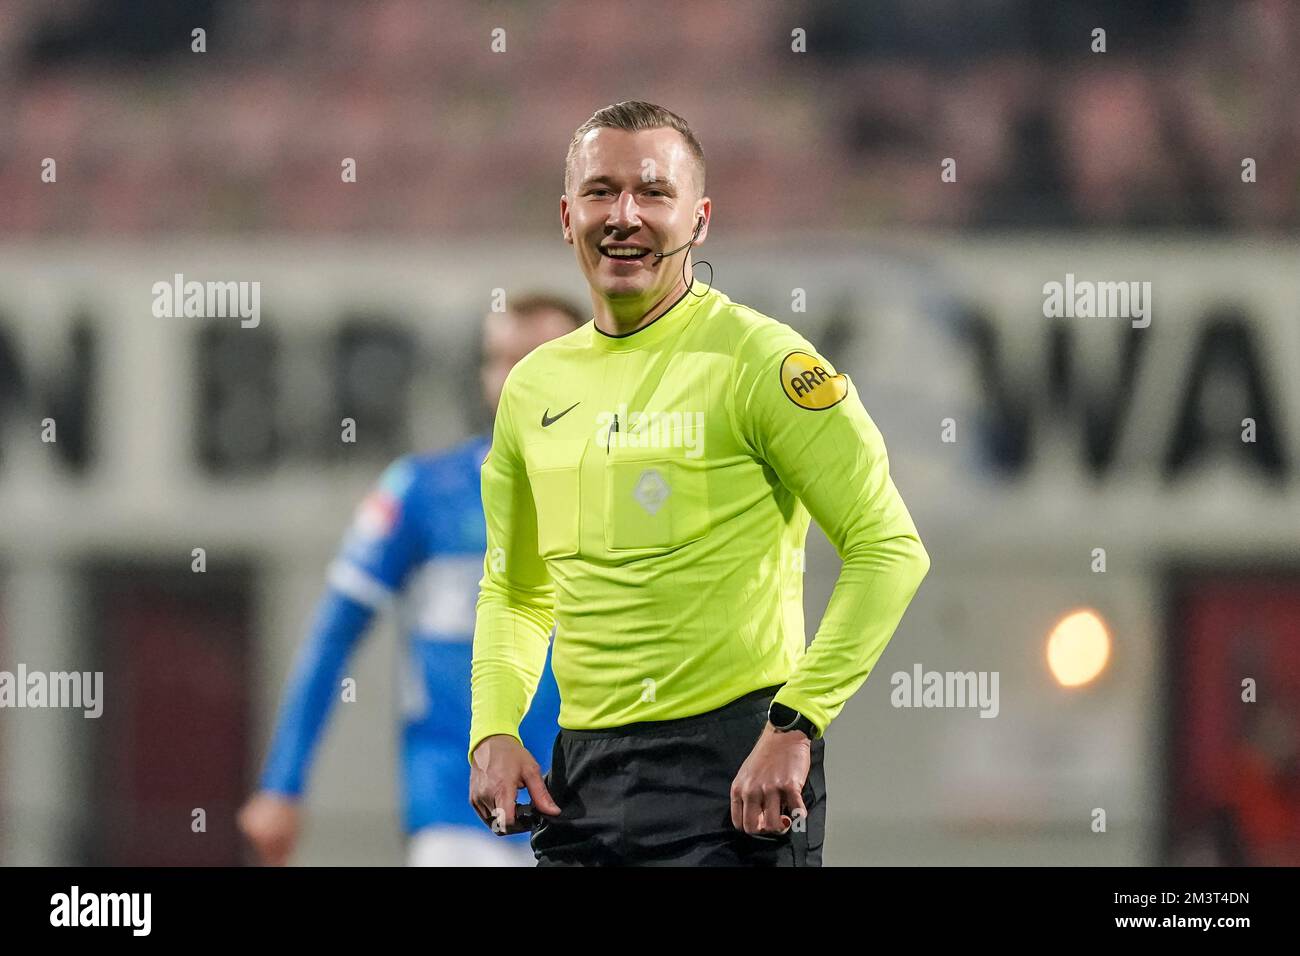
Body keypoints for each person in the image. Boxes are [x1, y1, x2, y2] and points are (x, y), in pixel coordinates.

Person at [468, 101, 930, 866]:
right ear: (565, 214)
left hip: (736, 775)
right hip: (581, 783)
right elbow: (516, 590)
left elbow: (889, 549)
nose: (624, 215)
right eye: (600, 191)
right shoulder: (532, 388)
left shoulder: (767, 366)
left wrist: (796, 727)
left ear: (700, 218)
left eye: (653, 192)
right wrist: (494, 726)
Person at [239, 295, 583, 866]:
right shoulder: (425, 493)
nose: (515, 378)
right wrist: (282, 783)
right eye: (499, 358)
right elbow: (331, 638)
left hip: (594, 807)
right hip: (458, 813)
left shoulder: (627, 492)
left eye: (539, 357)